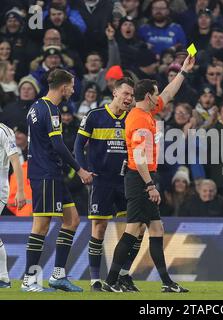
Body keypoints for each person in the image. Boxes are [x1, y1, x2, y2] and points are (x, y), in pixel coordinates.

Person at [103, 54, 195, 293]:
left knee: (155, 228)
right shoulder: (139, 120)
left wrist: (184, 71)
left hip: (140, 178)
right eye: (155, 93)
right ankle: (112, 281)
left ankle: (165, 282)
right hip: (139, 178)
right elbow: (141, 159)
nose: (159, 97)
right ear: (147, 97)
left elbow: (168, 94)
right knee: (133, 229)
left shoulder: (145, 113)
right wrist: (150, 186)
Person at [21, 69, 93, 292]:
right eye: (71, 86)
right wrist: (80, 169)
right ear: (63, 87)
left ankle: (58, 276)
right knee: (40, 226)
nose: (73, 90)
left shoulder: (36, 106)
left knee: (72, 221)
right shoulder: (51, 111)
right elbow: (58, 145)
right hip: (46, 174)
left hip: (50, 173)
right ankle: (29, 279)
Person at [74, 77, 144, 292]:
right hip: (102, 181)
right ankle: (95, 279)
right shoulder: (95, 116)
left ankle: (123, 274)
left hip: (126, 181)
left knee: (138, 228)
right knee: (99, 227)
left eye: (132, 95)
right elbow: (78, 145)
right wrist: (83, 169)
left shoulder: (132, 118)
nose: (129, 98)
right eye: (126, 94)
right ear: (115, 92)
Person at [0, 122, 26, 288]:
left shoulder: (4, 130)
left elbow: (15, 161)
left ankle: (3, 278)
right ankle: (3, 278)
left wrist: (20, 190)